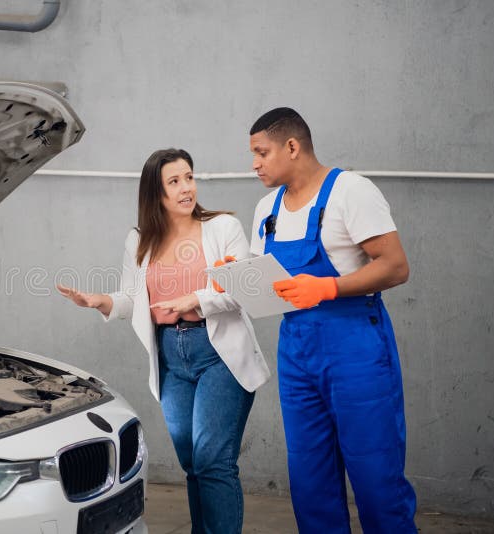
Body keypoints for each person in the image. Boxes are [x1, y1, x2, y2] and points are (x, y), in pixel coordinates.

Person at [58, 148, 270, 534]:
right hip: (171, 355)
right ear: (156, 194)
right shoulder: (139, 239)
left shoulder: (222, 228)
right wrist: (99, 301)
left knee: (212, 462)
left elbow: (246, 289)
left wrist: (195, 300)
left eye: (188, 177)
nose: (186, 188)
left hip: (218, 354)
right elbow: (132, 300)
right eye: (174, 182)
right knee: (192, 462)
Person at [248, 107, 417, 533]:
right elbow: (267, 284)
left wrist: (328, 288)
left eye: (262, 152)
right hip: (297, 350)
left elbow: (396, 267)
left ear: (292, 146)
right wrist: (242, 275)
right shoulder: (267, 209)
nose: (255, 164)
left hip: (355, 347)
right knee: (310, 479)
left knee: (376, 476)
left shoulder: (351, 192)